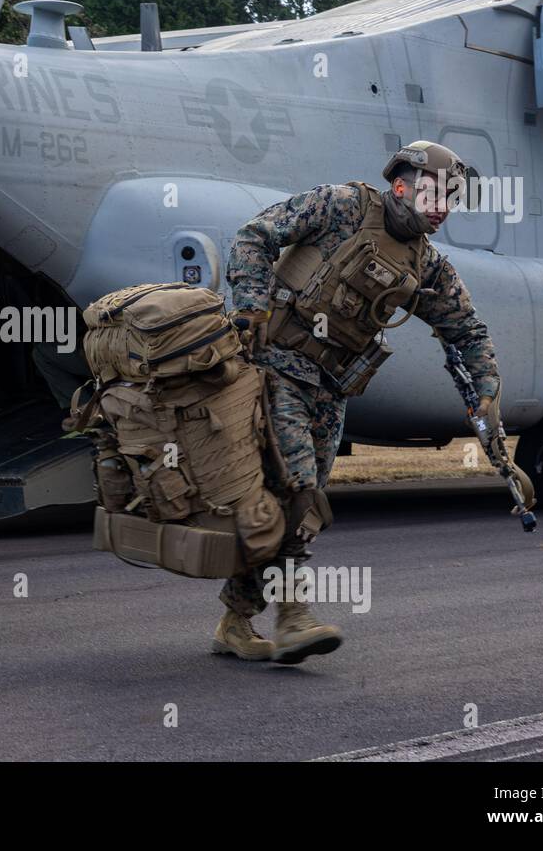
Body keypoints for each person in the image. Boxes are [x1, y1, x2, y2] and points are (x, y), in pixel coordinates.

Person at [213, 141, 500, 665]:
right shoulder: (340, 206)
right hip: (278, 367)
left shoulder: (425, 265)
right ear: (400, 186)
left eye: (451, 199)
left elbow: (467, 328)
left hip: (332, 388)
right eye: (433, 195)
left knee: (302, 507)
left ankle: (236, 617)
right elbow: (256, 235)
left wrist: (487, 389)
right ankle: (293, 616)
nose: (442, 208)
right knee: (298, 487)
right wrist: (250, 307)